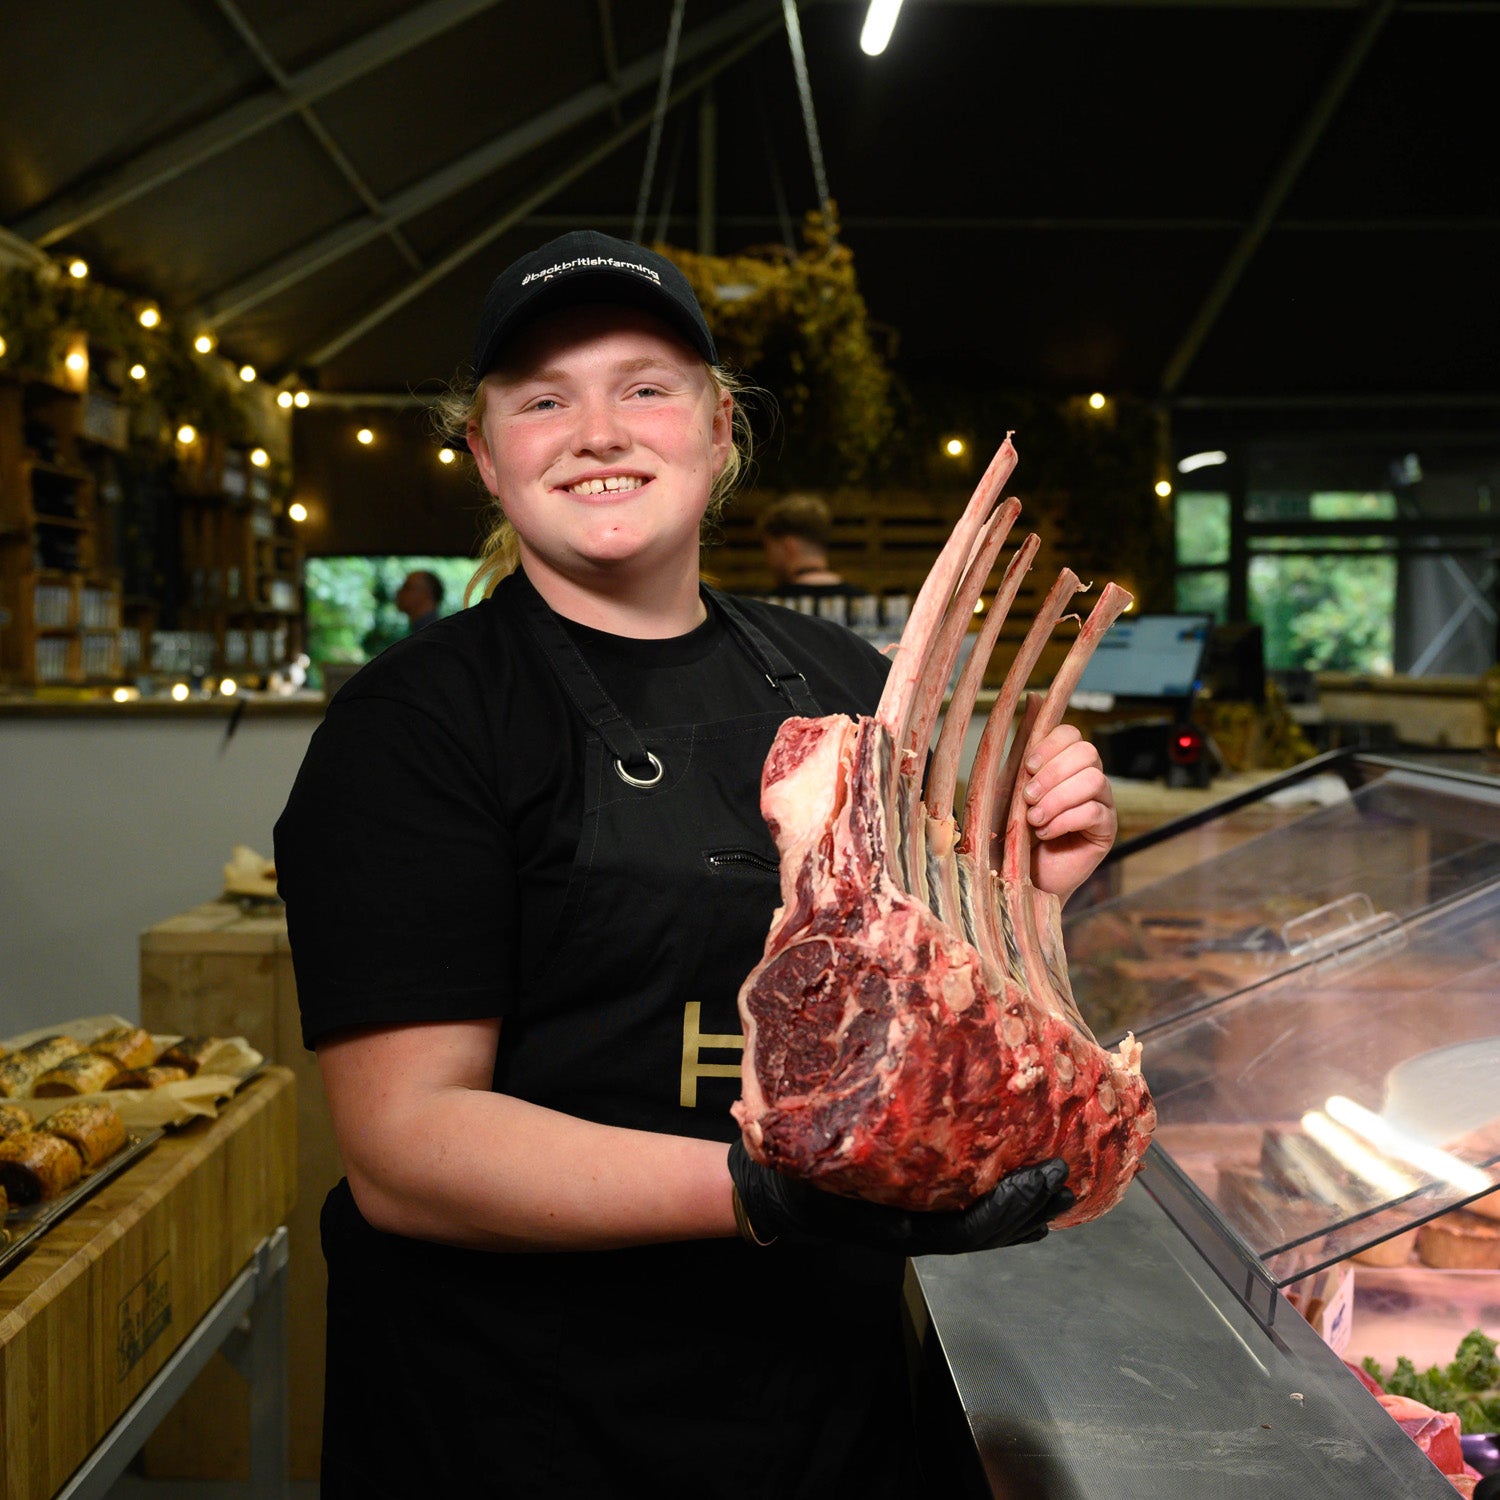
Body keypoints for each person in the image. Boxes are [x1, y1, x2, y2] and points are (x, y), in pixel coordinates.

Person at [273, 228, 1120, 1498]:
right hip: (513, 1420)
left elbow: (919, 997)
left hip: (819, 1402)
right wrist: (762, 1194)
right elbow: (405, 1149)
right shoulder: (416, 728)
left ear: (721, 431)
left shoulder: (850, 687)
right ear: (485, 457)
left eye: (646, 387)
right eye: (544, 398)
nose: (599, 429)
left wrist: (1022, 892)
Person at [757, 491, 865, 601]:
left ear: (788, 546)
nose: (768, 561)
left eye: (769, 549)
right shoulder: (863, 603)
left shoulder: (771, 607)